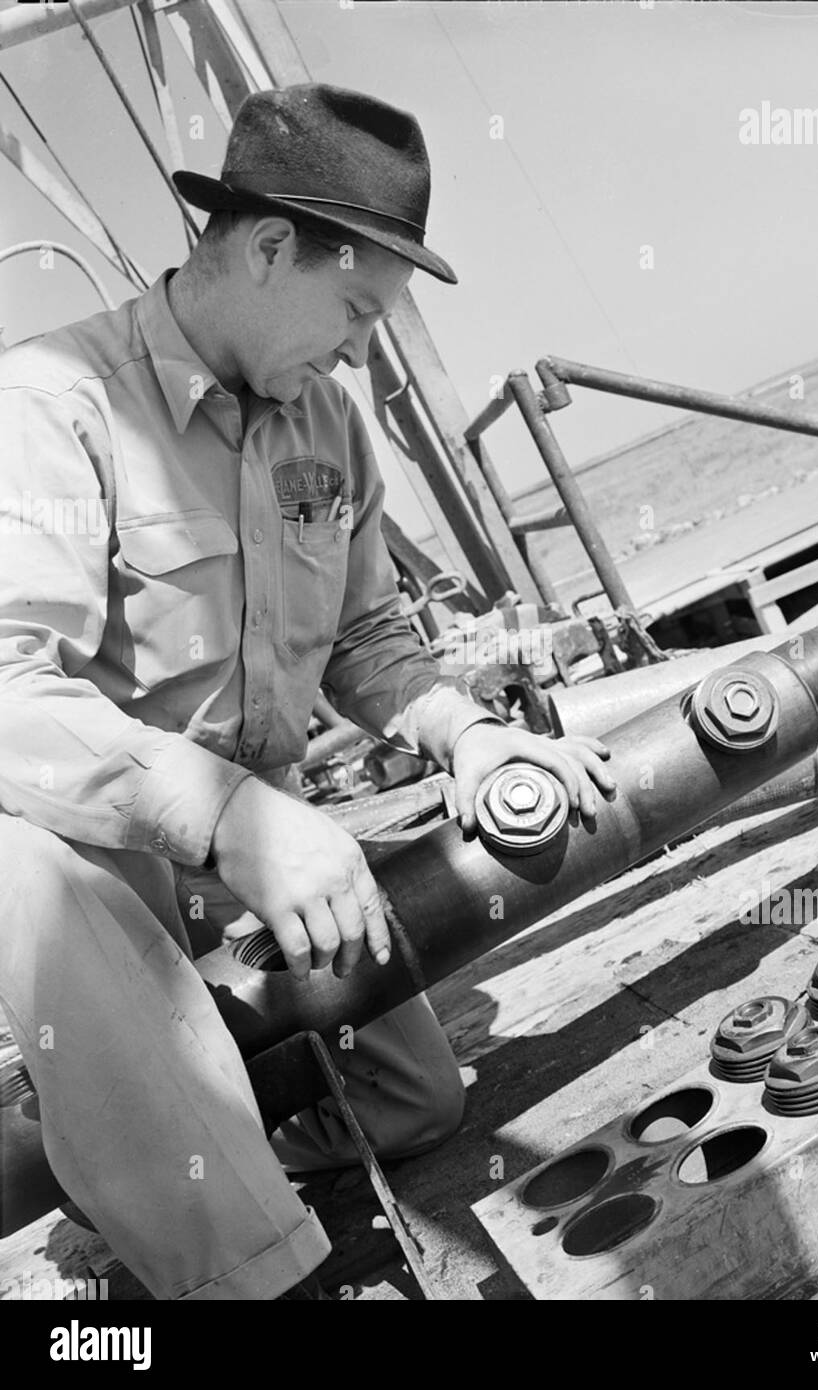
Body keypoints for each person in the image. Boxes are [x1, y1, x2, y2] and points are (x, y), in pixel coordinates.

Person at [0, 83, 613, 1299]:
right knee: (35, 878)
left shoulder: (326, 423)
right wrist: (229, 816)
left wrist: (470, 735)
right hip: (103, 862)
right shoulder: (49, 406)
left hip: (267, 854)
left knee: (416, 1103)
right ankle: (231, 1255)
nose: (358, 350)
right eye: (356, 310)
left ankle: (180, 1151)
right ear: (270, 246)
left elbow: (369, 635)